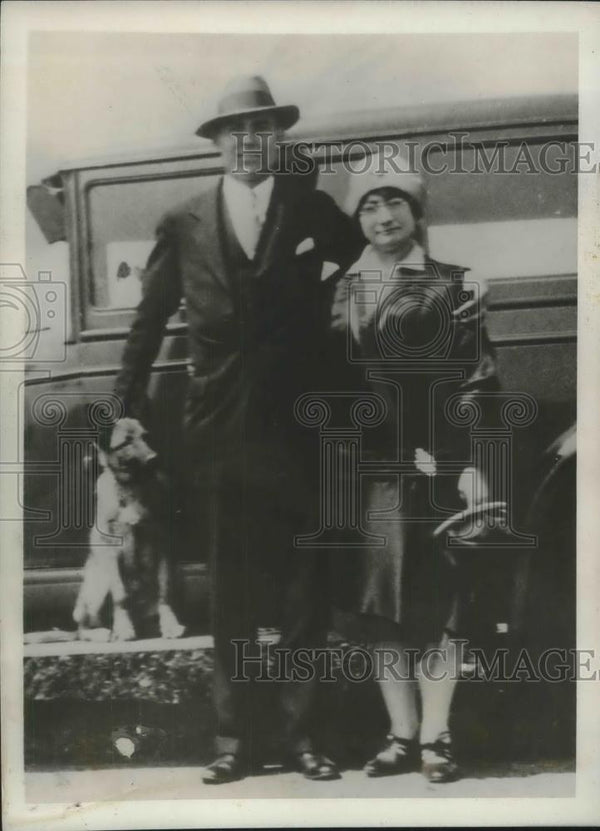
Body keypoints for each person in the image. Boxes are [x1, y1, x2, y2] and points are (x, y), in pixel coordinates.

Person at [114, 75, 356, 783]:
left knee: (306, 590)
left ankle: (306, 737)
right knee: (232, 594)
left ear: (278, 139)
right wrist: (122, 405)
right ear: (218, 144)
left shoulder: (313, 208)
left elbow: (375, 259)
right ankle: (236, 742)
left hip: (302, 427)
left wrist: (460, 287)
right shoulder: (184, 220)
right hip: (219, 431)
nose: (249, 142)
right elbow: (148, 321)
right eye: (236, 132)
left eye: (263, 130)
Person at [327, 162, 499, 782]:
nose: (384, 216)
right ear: (358, 218)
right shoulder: (337, 289)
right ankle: (400, 736)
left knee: (439, 605)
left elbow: (476, 379)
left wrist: (467, 462)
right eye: (370, 206)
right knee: (380, 609)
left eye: (395, 202)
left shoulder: (453, 284)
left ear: (416, 211)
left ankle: (438, 739)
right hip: (363, 467)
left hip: (432, 464)